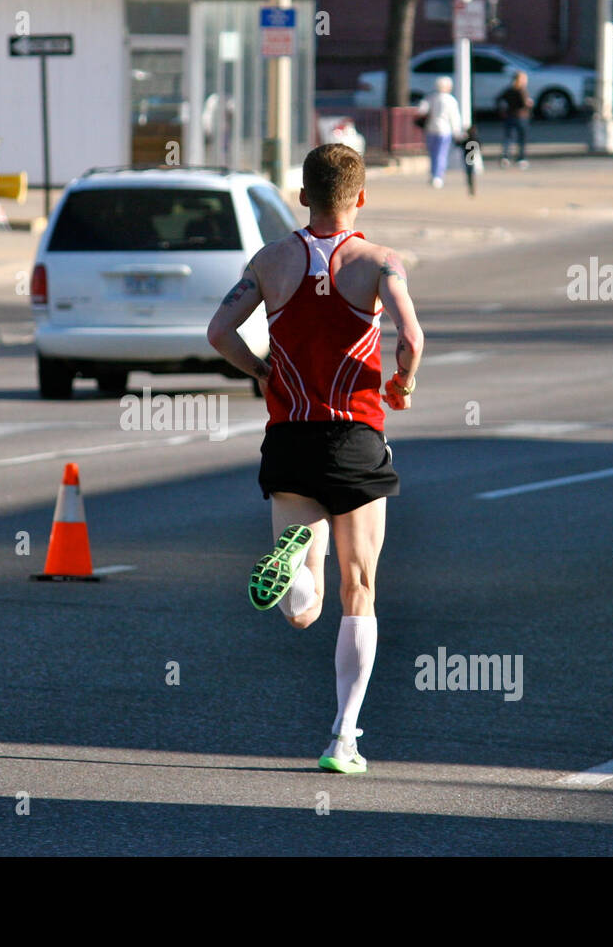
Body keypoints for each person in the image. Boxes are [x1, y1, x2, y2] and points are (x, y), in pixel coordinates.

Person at [206, 143, 425, 774]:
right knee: (359, 589)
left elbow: (219, 331)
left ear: (302, 196)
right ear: (360, 198)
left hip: (291, 437)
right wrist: (403, 383)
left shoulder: (270, 260)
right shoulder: (380, 262)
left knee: (302, 610)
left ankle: (295, 571)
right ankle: (343, 739)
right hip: (355, 440)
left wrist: (262, 368)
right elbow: (410, 335)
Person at [416, 76, 463, 189]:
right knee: (441, 153)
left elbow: (421, 110)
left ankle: (433, 174)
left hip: (430, 129)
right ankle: (438, 176)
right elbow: (454, 118)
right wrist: (457, 132)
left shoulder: (431, 97)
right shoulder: (451, 100)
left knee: (433, 154)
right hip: (444, 130)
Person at [498, 71, 533, 169]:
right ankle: (521, 158)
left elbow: (499, 99)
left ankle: (505, 158)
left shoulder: (509, 90)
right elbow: (524, 103)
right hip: (521, 117)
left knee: (508, 138)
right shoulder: (521, 91)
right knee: (521, 139)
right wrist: (529, 104)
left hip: (509, 116)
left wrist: (502, 110)